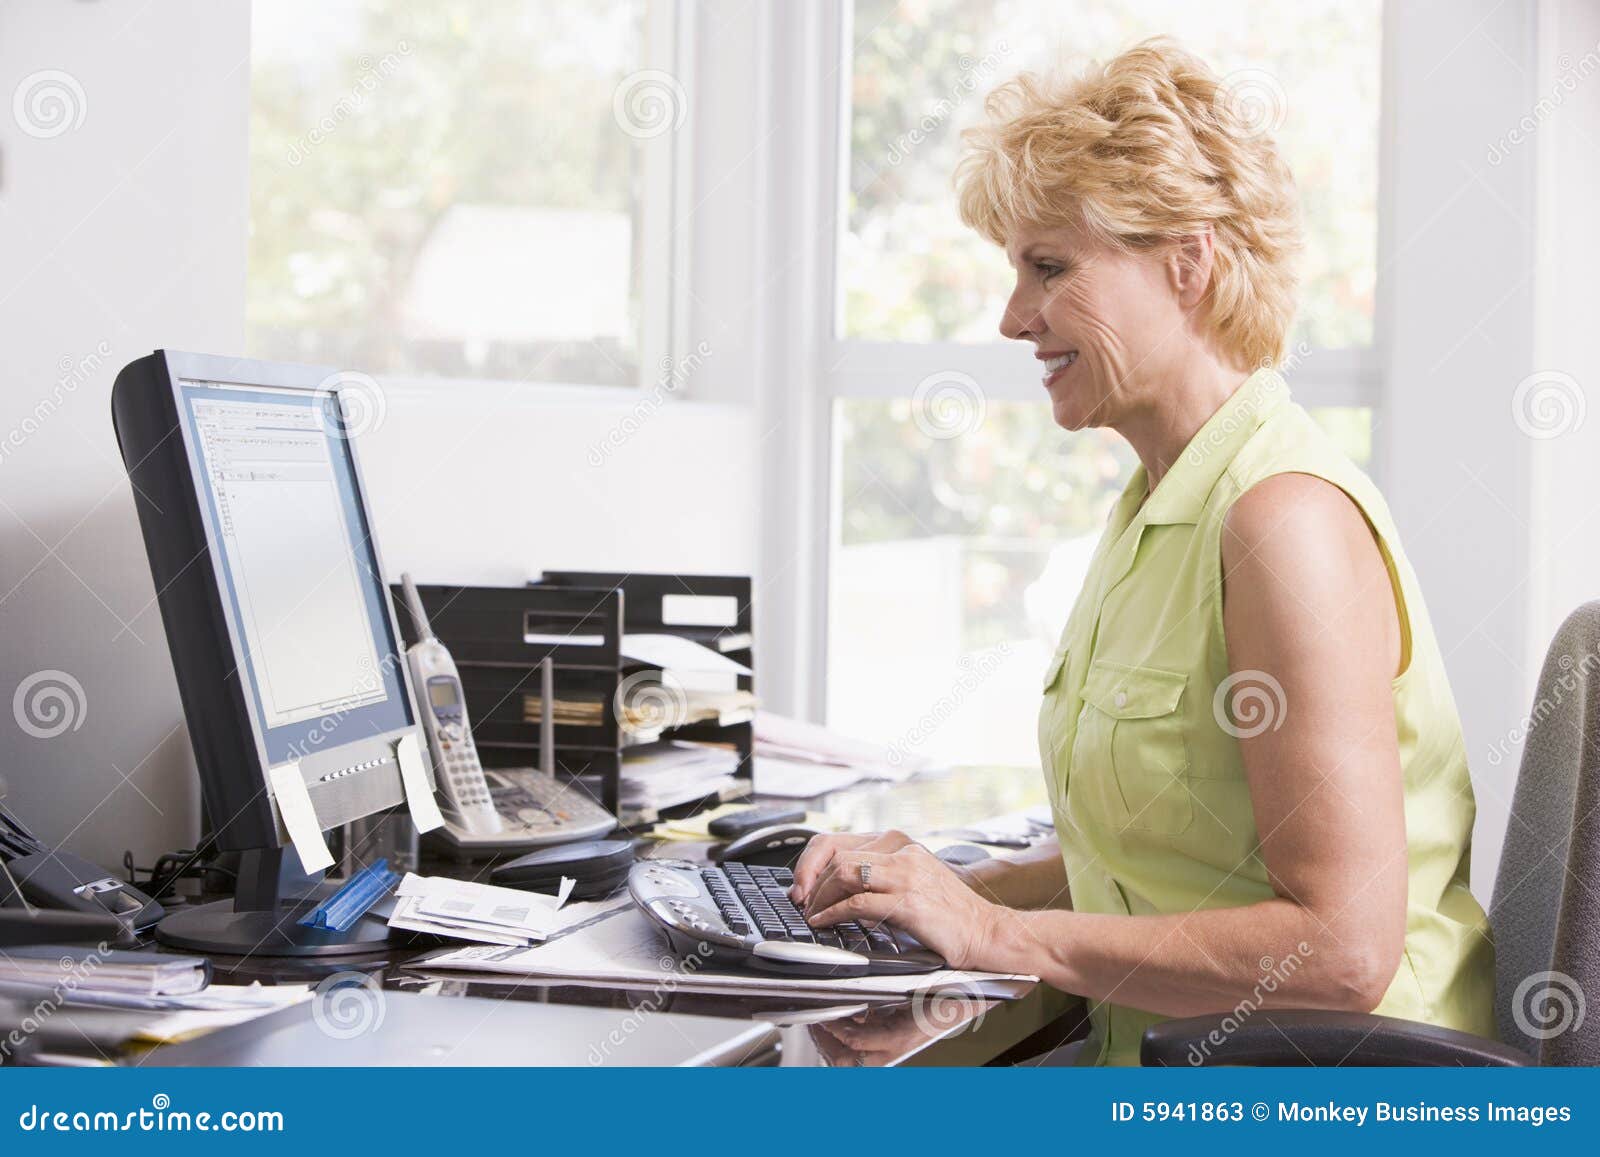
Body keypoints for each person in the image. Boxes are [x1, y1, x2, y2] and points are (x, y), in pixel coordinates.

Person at [789, 39, 1496, 1066]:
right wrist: (944, 888)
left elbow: (1341, 950)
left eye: (1050, 267)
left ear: (1188, 263)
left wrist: (994, 934)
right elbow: (1165, 861)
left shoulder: (1280, 519)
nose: (1012, 316)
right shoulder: (1161, 503)